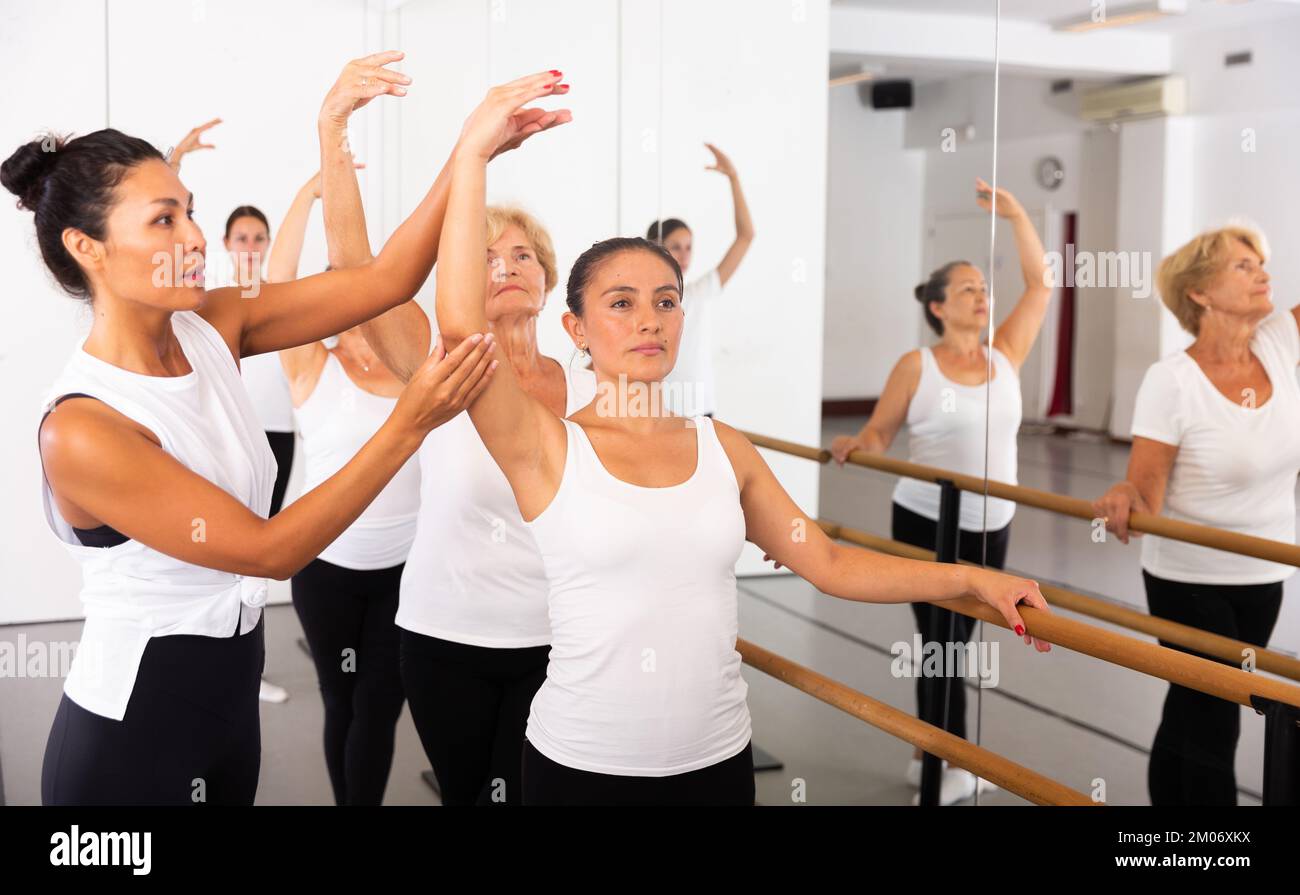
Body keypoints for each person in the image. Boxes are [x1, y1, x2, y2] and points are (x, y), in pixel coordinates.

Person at [436, 72, 1053, 807]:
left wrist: (968, 578)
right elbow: (459, 328)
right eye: (621, 303)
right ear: (576, 329)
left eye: (665, 302)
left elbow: (825, 562)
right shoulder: (545, 444)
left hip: (715, 762)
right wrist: (473, 154)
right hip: (581, 765)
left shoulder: (723, 448)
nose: (649, 320)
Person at [9, 51, 502, 806]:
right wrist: (410, 423)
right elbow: (271, 551)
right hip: (134, 731)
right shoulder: (82, 426)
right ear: (87, 248)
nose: (197, 236)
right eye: (164, 219)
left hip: (230, 702)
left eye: (191, 210)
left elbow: (381, 282)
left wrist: (468, 151)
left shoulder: (213, 323)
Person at [353, 82, 590, 806]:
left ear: (547, 283)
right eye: (486, 258)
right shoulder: (439, 368)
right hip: (445, 636)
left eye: (523, 256)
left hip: (557, 639)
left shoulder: (592, 388)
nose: (507, 267)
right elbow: (355, 273)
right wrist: (335, 136)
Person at [829, 179, 1052, 804]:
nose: (982, 298)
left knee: (963, 640)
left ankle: (930, 749)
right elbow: (880, 431)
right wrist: (856, 445)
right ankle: (945, 761)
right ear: (937, 307)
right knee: (942, 643)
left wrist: (1018, 216)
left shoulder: (1006, 354)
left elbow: (1042, 285)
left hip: (992, 522)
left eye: (985, 289)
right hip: (926, 520)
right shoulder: (915, 366)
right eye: (967, 291)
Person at [1093, 226, 1300, 805]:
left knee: (1194, 707)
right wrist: (1122, 495)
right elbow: (1144, 495)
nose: (1262, 273)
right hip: (1189, 580)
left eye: (1262, 262)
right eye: (1242, 266)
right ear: (1200, 294)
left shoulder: (1279, 343)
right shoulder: (1173, 380)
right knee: (1216, 714)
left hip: (1263, 575)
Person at [271, 159, 415, 806]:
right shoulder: (310, 365)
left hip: (405, 572)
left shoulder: (413, 362)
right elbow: (276, 284)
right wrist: (307, 194)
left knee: (379, 706)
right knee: (341, 699)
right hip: (327, 572)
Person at [645, 142, 754, 418]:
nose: (684, 254)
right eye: (675, 246)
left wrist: (734, 178)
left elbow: (746, 236)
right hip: (656, 414)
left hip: (699, 413)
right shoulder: (639, 301)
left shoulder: (698, 293)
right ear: (655, 247)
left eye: (689, 247)